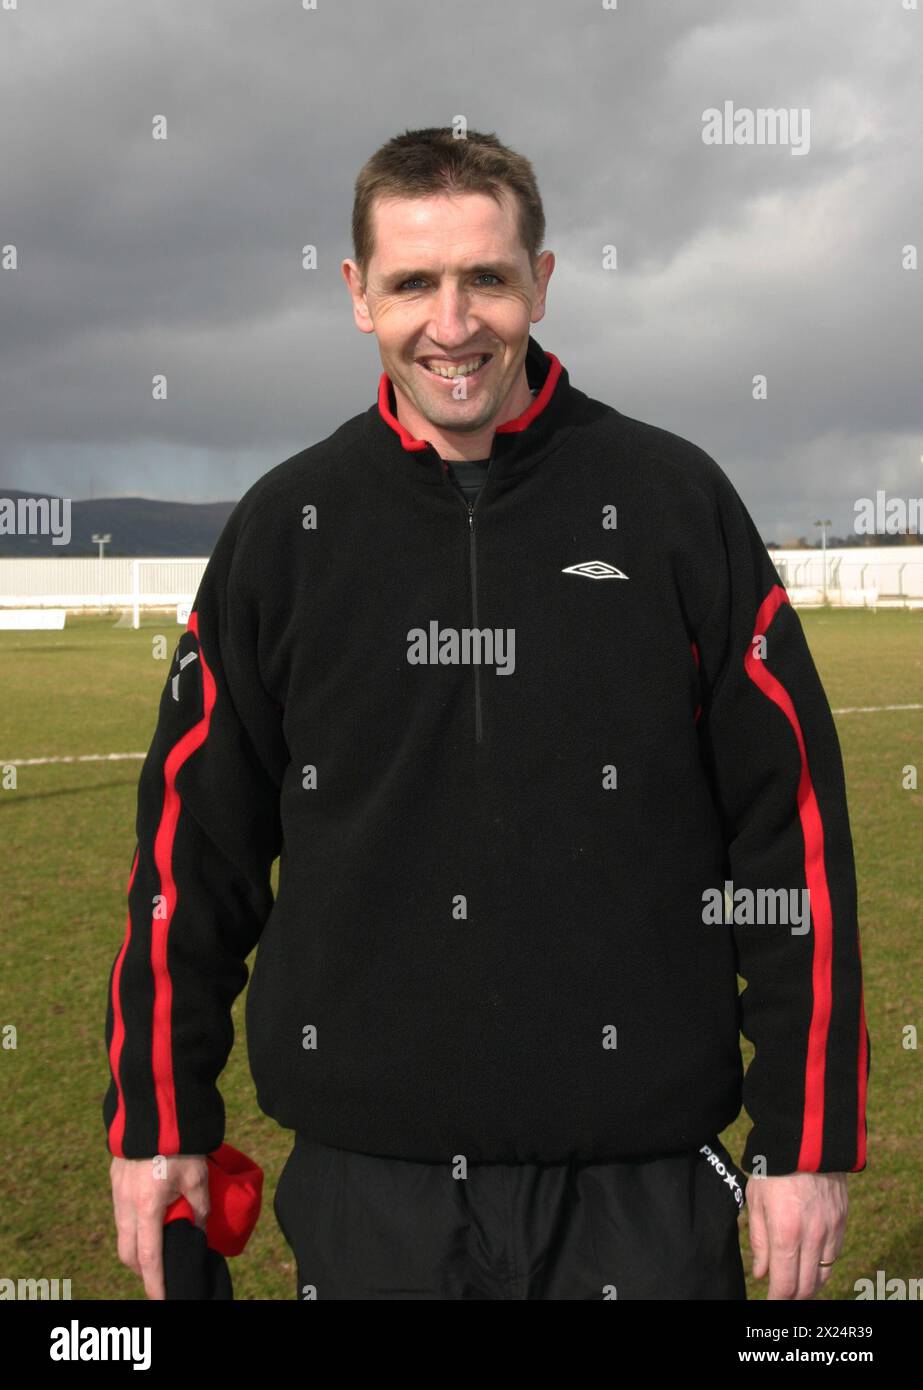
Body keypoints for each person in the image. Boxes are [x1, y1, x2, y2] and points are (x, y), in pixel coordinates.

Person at [104, 126, 870, 1301]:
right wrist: (160, 1119)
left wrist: (805, 1137)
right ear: (357, 294)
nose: (451, 324)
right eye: (413, 281)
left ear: (541, 282)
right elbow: (187, 854)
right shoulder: (286, 529)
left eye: (486, 279)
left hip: (639, 1193)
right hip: (373, 1199)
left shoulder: (671, 503)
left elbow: (793, 835)